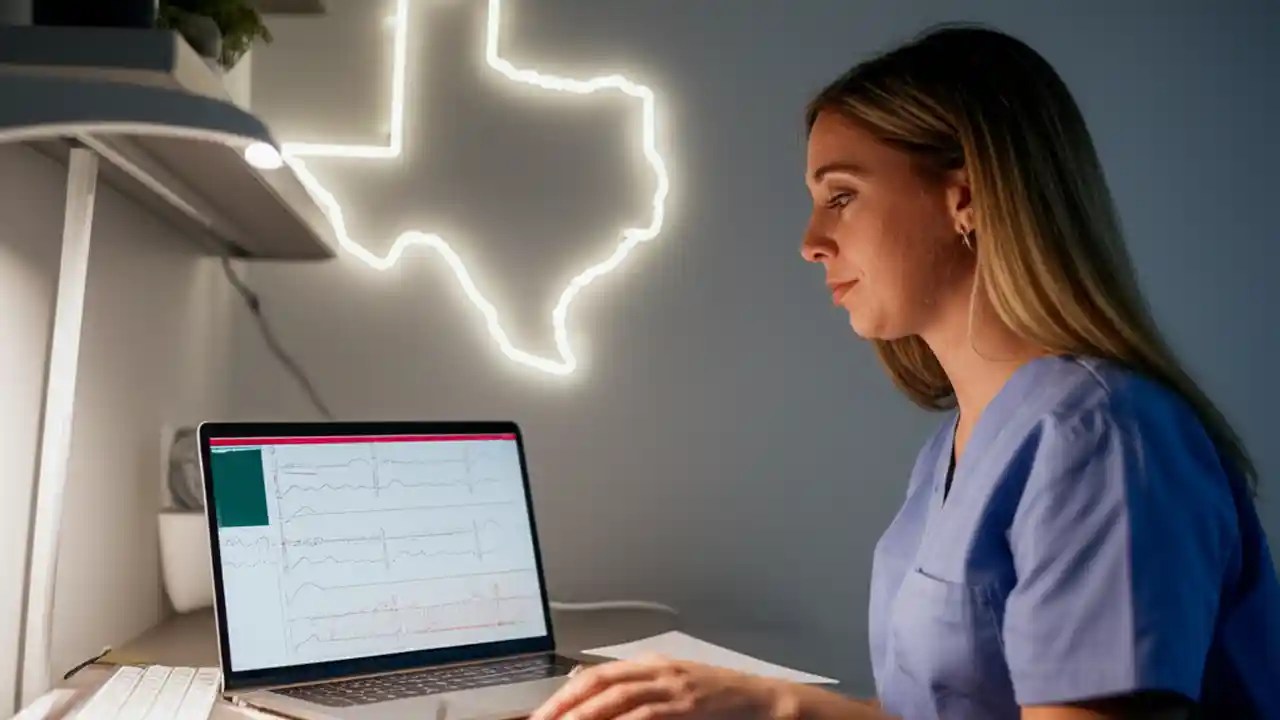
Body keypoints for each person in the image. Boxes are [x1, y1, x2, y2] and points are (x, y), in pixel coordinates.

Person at [529, 24, 1280, 720]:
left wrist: (778, 707)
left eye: (843, 196)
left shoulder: (1103, 436)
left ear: (966, 198)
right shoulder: (955, 449)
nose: (811, 241)